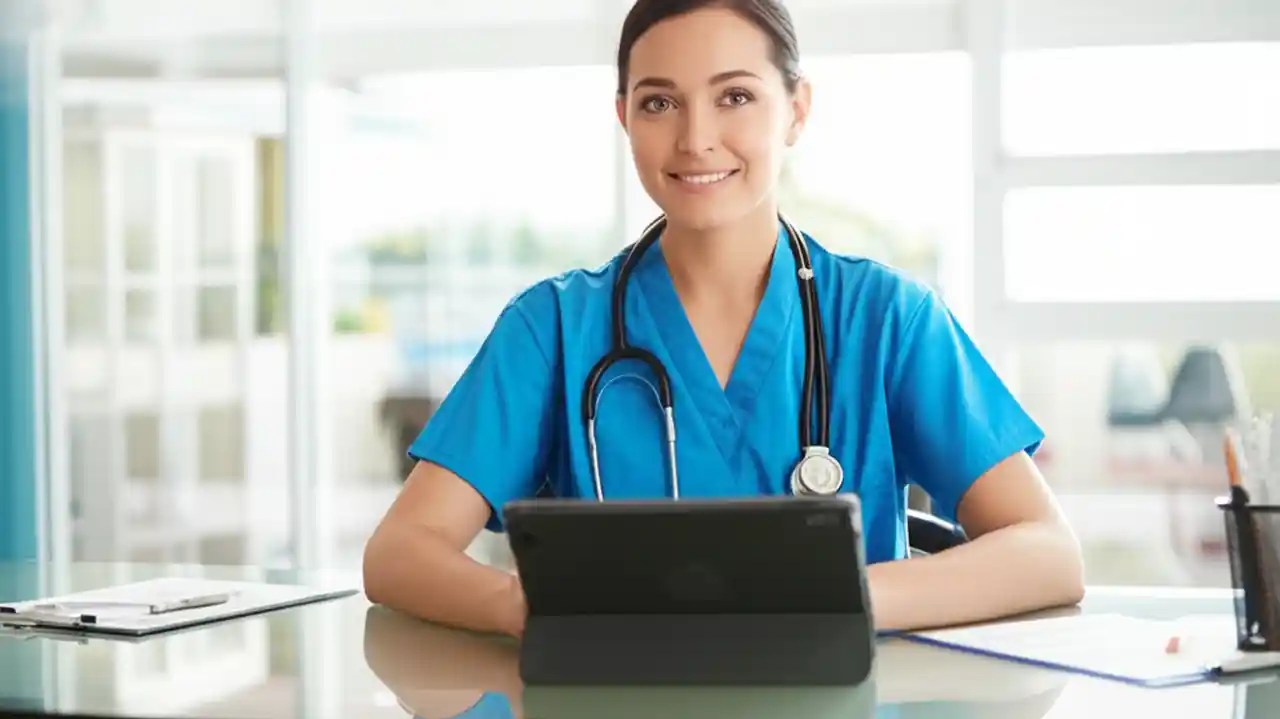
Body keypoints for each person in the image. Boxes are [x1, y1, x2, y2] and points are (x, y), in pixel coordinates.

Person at [363, 0, 1084, 639]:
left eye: (734, 96)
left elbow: (1049, 553)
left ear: (797, 109)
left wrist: (828, 599)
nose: (695, 139)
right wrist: (530, 606)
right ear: (624, 117)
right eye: (658, 103)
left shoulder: (888, 320)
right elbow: (400, 552)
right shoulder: (551, 327)